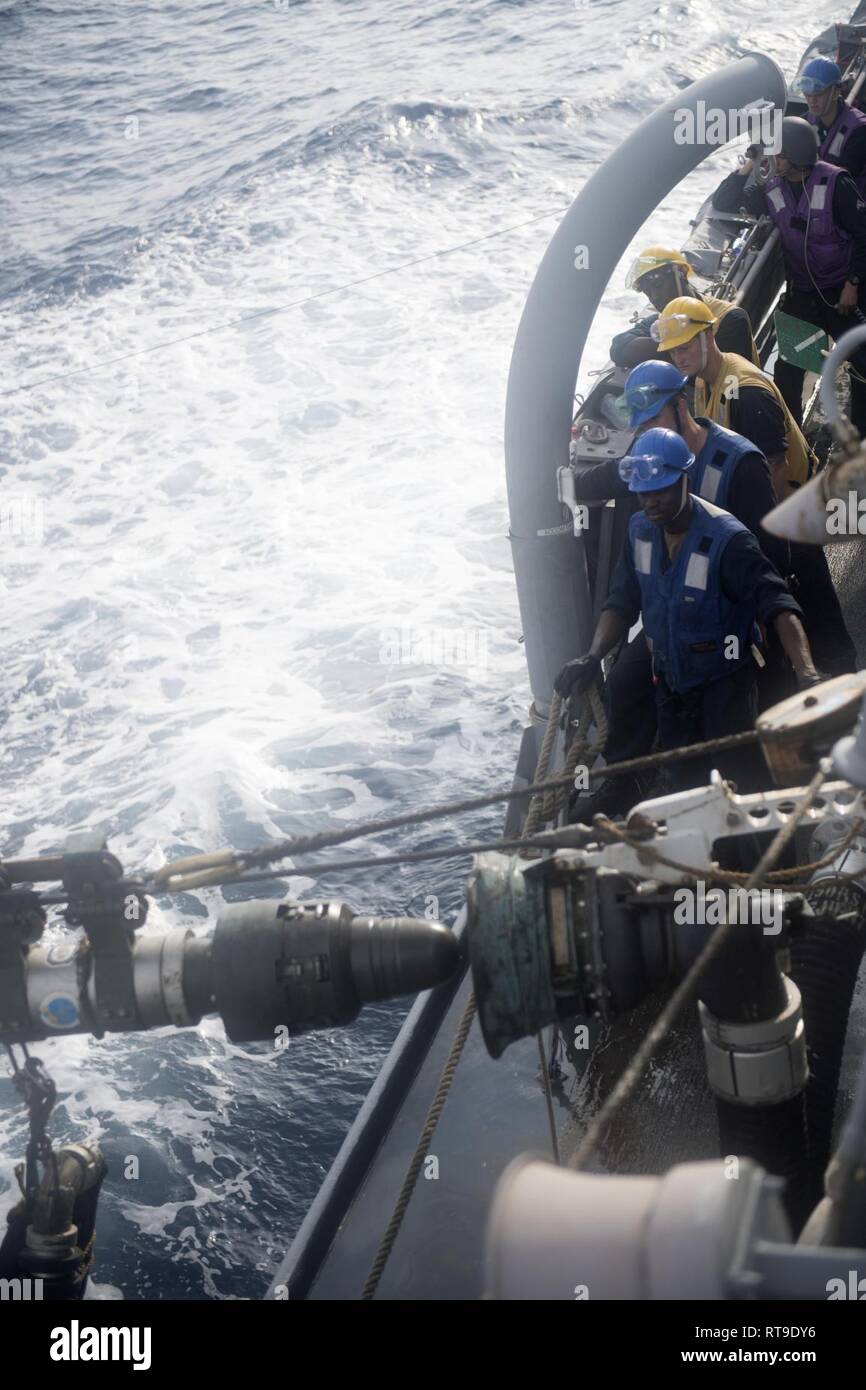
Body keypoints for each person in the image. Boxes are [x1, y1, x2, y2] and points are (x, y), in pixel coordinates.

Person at [555, 430, 819, 794]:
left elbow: (779, 606)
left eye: (660, 490)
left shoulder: (729, 540)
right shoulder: (640, 532)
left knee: (744, 786)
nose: (650, 501)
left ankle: (762, 847)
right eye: (643, 492)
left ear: (685, 480)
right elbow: (622, 601)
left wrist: (807, 675)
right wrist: (593, 655)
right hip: (672, 687)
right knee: (686, 788)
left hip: (725, 687)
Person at [712, 115, 866, 436]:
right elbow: (724, 201)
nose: (774, 160)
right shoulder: (772, 190)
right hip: (803, 296)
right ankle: (792, 436)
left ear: (795, 156)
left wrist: (853, 283)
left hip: (842, 294)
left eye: (779, 155)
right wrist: (749, 162)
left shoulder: (836, 184)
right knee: (788, 372)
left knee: (862, 364)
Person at [650, 295, 813, 497]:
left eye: (684, 348)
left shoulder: (748, 396)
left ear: (709, 336)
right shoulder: (705, 378)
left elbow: (777, 469)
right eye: (673, 353)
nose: (679, 359)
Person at [609, 245, 759, 369]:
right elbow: (618, 347)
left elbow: (707, 370)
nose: (654, 296)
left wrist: (669, 341)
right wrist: (670, 336)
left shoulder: (729, 318)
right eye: (648, 292)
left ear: (682, 272)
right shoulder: (661, 321)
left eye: (658, 285)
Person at [796, 57, 866, 191]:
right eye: (808, 95)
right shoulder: (806, 121)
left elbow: (842, 179)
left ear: (836, 92)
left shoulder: (860, 130)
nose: (812, 101)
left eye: (818, 94)